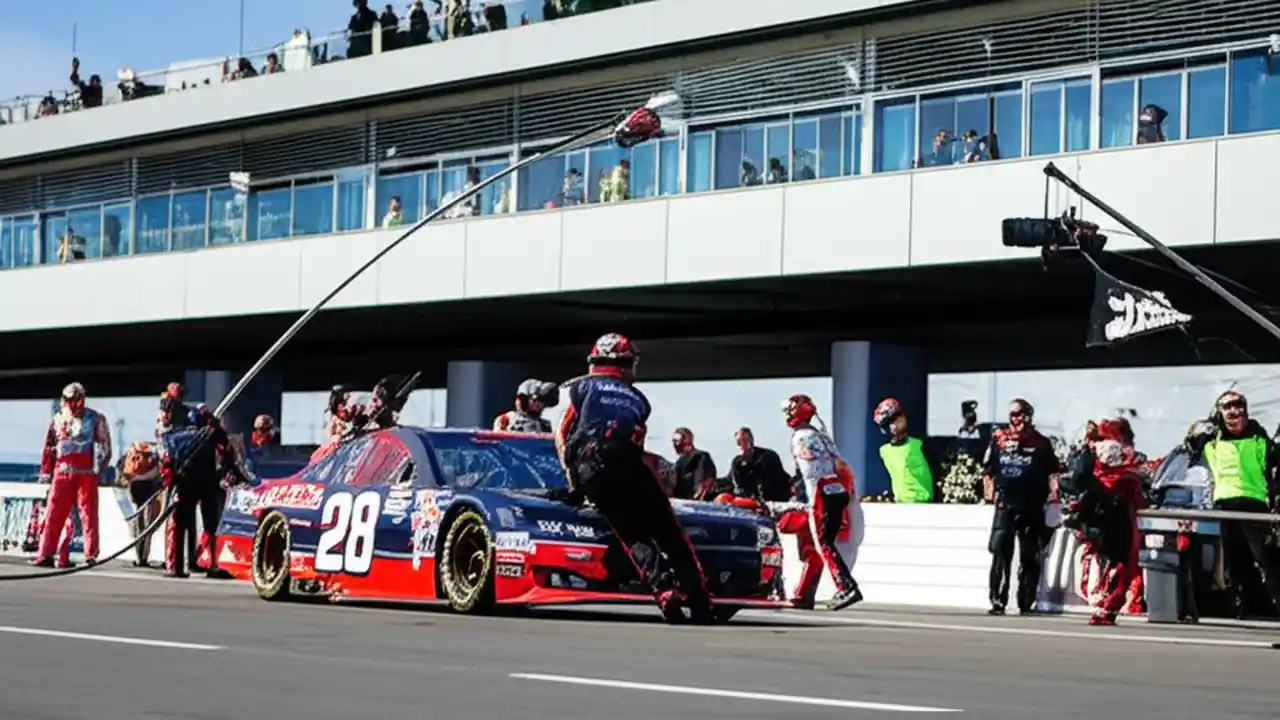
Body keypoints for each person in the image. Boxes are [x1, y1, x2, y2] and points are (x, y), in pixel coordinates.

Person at [555, 333, 715, 622]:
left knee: (631, 533)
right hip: (629, 462)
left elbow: (563, 434)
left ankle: (664, 590)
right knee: (669, 532)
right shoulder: (639, 400)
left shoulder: (576, 388)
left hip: (592, 467)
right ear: (627, 364)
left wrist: (573, 480)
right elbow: (634, 440)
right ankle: (699, 600)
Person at [1189, 390, 1280, 618]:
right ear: (1219, 413)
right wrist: (1205, 426)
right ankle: (1253, 611)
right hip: (1225, 507)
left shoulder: (1259, 438)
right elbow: (1190, 442)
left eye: (1238, 406)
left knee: (1269, 561)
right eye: (1227, 407)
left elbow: (1274, 463)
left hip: (1255, 506)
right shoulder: (1212, 441)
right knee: (1237, 563)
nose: (1233, 411)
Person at [782, 394, 864, 611]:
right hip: (838, 492)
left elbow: (806, 475)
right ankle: (844, 586)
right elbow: (842, 465)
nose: (788, 414)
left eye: (790, 410)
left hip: (820, 494)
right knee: (828, 544)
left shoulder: (800, 437)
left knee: (823, 544)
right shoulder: (823, 436)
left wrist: (803, 498)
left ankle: (846, 587)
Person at [983, 398, 1060, 615]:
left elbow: (1053, 471)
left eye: (1021, 414)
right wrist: (990, 492)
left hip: (1032, 504)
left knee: (1030, 554)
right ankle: (997, 601)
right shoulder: (999, 438)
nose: (1017, 419)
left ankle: (1026, 601)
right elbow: (988, 469)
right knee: (1000, 552)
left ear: (1028, 415)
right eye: (1013, 415)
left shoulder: (1041, 443)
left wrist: (1054, 496)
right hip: (1005, 504)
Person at [1070, 419, 1145, 625]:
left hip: (1121, 523)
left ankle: (1109, 606)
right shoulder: (1091, 471)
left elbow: (1138, 497)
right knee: (1099, 564)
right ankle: (1103, 603)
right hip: (1099, 527)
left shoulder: (1130, 474)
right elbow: (1078, 481)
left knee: (1120, 564)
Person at [160, 404, 248, 578]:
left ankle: (177, 567)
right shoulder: (214, 434)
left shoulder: (173, 436)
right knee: (211, 525)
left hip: (184, 484)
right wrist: (237, 476)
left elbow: (166, 463)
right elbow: (228, 456)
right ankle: (211, 564)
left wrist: (169, 481)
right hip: (207, 484)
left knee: (181, 526)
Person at [30, 383, 111, 568]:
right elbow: (49, 447)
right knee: (53, 513)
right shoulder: (57, 419)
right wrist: (46, 471)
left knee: (88, 514)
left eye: (77, 399)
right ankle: (46, 553)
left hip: (86, 472)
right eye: (69, 400)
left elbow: (105, 446)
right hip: (63, 471)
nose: (74, 404)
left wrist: (99, 468)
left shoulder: (96, 418)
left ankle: (90, 555)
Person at [873, 397, 934, 503]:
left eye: (899, 415)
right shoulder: (884, 451)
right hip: (901, 505)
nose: (898, 420)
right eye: (891, 420)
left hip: (925, 504)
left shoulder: (919, 444)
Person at [118, 440, 163, 568]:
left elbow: (122, 472)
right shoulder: (153, 457)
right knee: (148, 525)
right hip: (150, 490)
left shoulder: (131, 455)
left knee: (138, 524)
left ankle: (139, 557)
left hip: (135, 488)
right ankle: (144, 557)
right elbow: (158, 474)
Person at [727, 427, 791, 504]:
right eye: (738, 442)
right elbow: (731, 481)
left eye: (744, 440)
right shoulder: (737, 462)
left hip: (775, 498)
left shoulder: (767, 456)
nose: (741, 444)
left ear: (751, 440)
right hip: (751, 500)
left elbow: (767, 479)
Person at [493, 379, 557, 433]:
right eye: (535, 400)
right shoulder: (506, 418)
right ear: (524, 400)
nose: (539, 404)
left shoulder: (545, 425)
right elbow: (498, 437)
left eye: (541, 400)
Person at [671, 427, 718, 500]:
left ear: (686, 440)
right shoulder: (679, 463)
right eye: (673, 441)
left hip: (696, 503)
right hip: (681, 502)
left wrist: (699, 494)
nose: (674, 444)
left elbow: (710, 479)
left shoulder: (701, 456)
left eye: (676, 441)